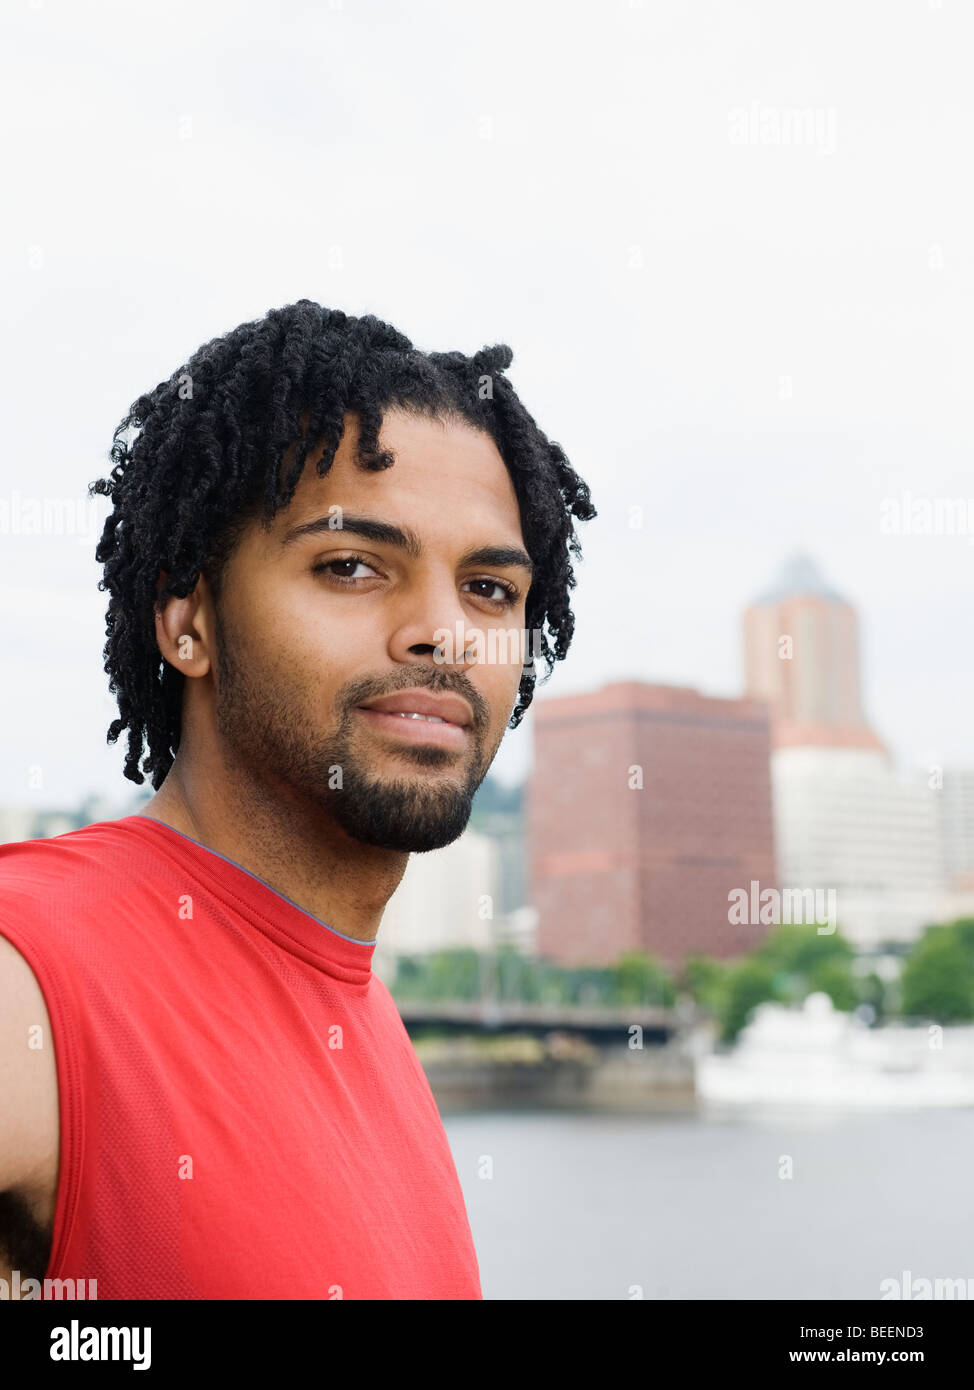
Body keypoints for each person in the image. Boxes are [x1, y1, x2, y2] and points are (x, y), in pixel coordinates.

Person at [0, 299, 596, 1299]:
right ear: (187, 618)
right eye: (352, 566)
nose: (442, 633)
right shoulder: (37, 968)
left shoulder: (365, 1018)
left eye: (489, 589)